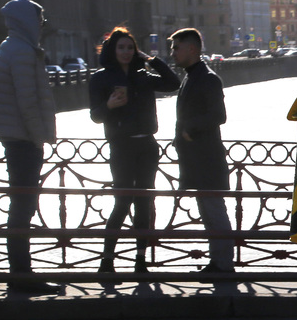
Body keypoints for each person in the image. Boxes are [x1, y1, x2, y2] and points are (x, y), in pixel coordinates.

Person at [89, 27, 181, 274]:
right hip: (121, 146)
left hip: (147, 145)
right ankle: (107, 261)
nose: (126, 52)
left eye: (130, 47)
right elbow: (95, 116)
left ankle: (140, 261)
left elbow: (174, 83)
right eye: (121, 47)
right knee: (122, 201)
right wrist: (109, 105)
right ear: (112, 49)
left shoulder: (143, 76)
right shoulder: (101, 78)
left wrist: (151, 59)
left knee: (144, 202)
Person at [0, 0, 58, 293]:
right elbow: (28, 101)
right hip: (23, 140)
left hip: (14, 137)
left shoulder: (10, 47)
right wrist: (39, 138)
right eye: (39, 21)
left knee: (21, 204)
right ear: (28, 21)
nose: (41, 27)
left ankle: (20, 271)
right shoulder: (22, 51)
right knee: (23, 206)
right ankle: (21, 274)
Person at [168, 27, 233, 274]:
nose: (172, 53)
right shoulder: (192, 76)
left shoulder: (207, 78)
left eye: (176, 47)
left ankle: (223, 264)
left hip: (206, 158)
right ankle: (218, 262)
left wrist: (189, 130)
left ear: (192, 49)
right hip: (197, 159)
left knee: (214, 211)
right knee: (209, 212)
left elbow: (219, 115)